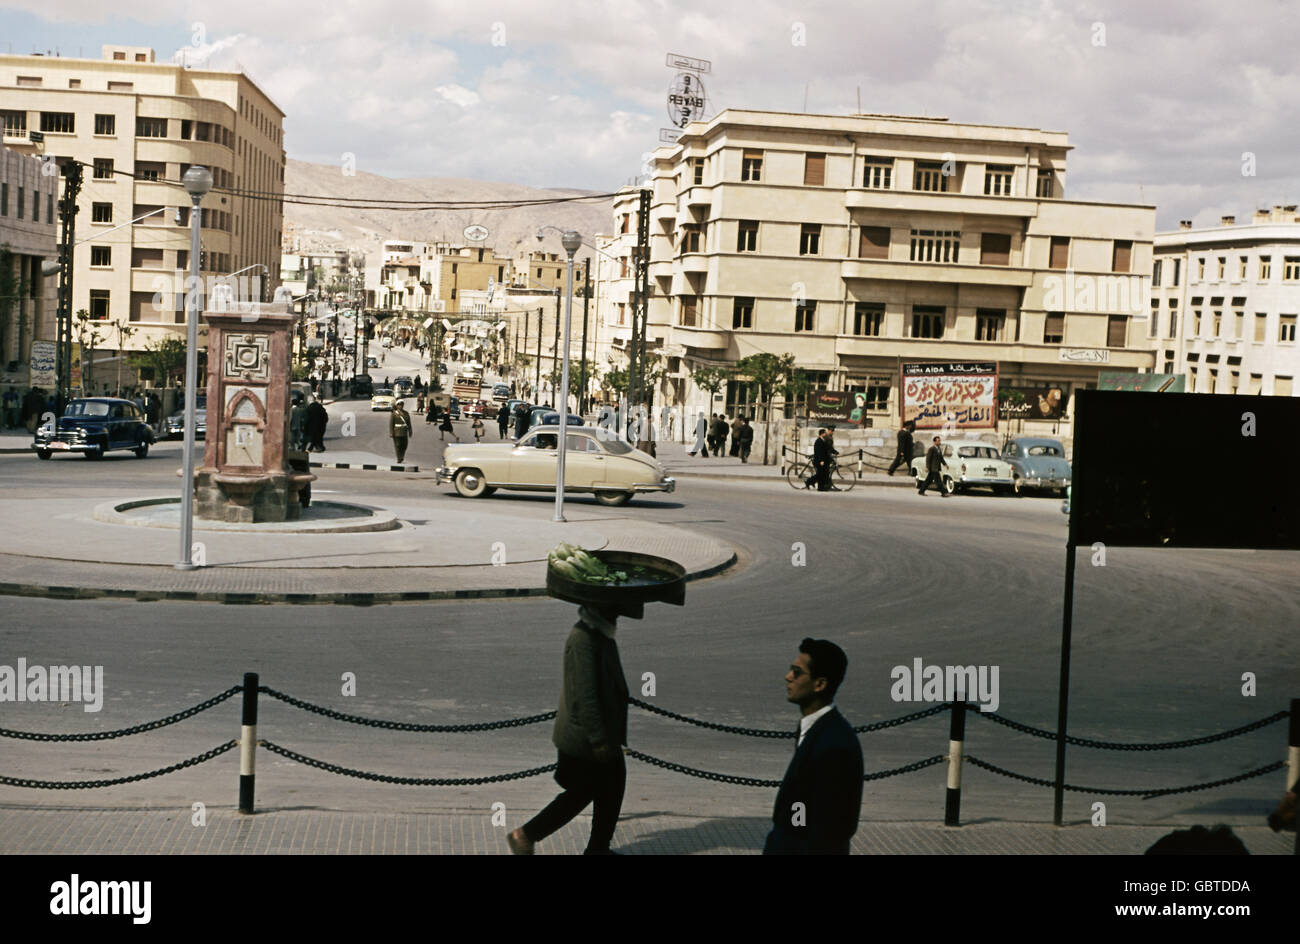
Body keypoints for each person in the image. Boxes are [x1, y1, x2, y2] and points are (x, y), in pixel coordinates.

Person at [508, 605, 631, 855]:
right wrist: (599, 741)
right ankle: (526, 835)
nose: (617, 613)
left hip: (599, 735)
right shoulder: (583, 639)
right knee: (583, 792)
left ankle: (596, 848)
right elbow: (586, 697)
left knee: (607, 786)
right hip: (583, 738)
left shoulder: (601, 635)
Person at [763, 638, 863, 855]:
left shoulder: (834, 745)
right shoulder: (814, 730)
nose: (788, 677)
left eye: (797, 672)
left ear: (819, 684)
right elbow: (802, 807)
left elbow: (827, 828)